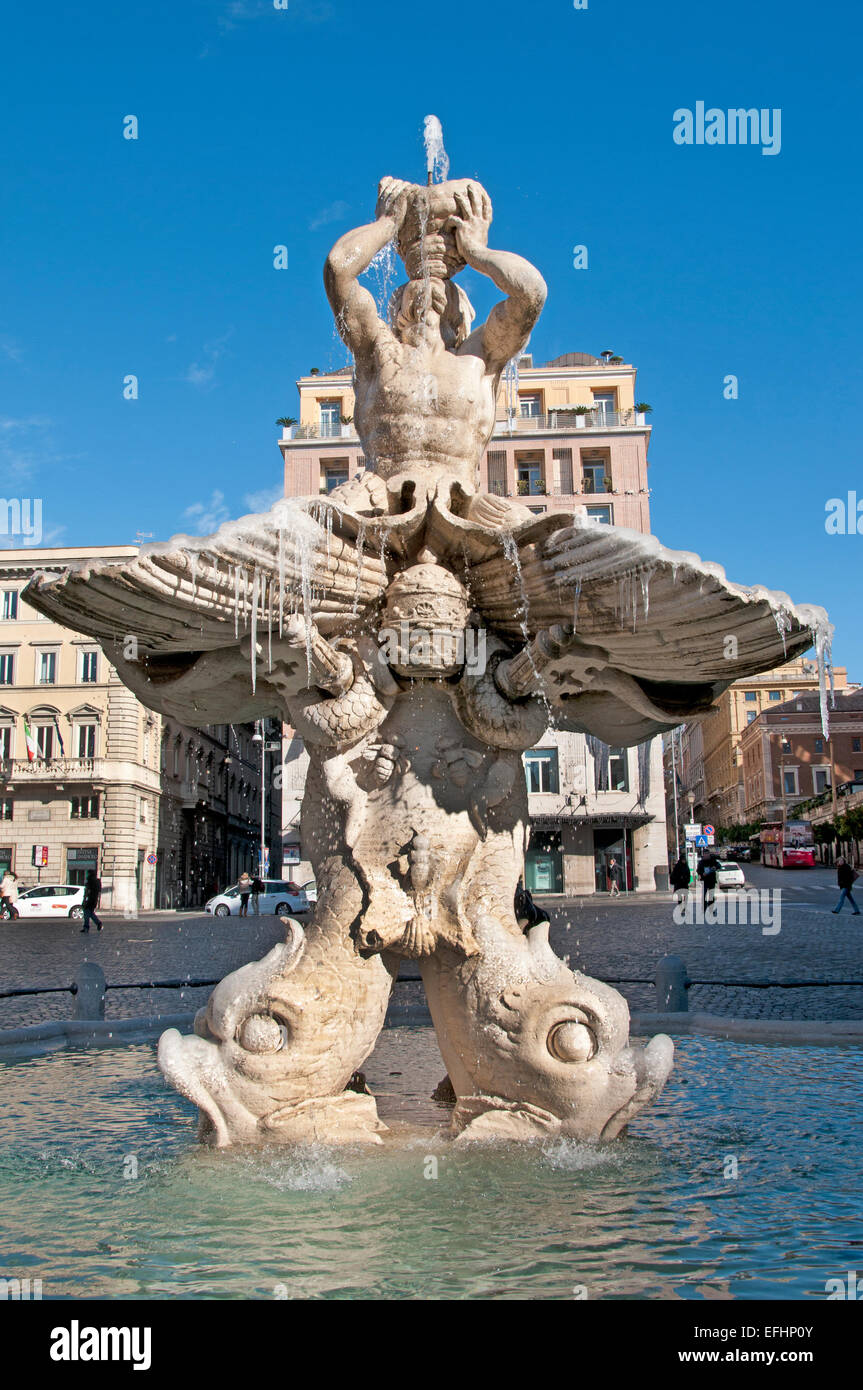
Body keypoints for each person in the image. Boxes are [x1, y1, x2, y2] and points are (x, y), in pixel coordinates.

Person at [80, 869, 103, 933]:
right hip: (94, 899)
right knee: (90, 913)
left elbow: (87, 891)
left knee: (87, 913)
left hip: (89, 899)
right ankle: (97, 923)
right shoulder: (98, 881)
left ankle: (87, 927)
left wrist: (84, 900)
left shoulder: (89, 881)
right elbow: (99, 892)